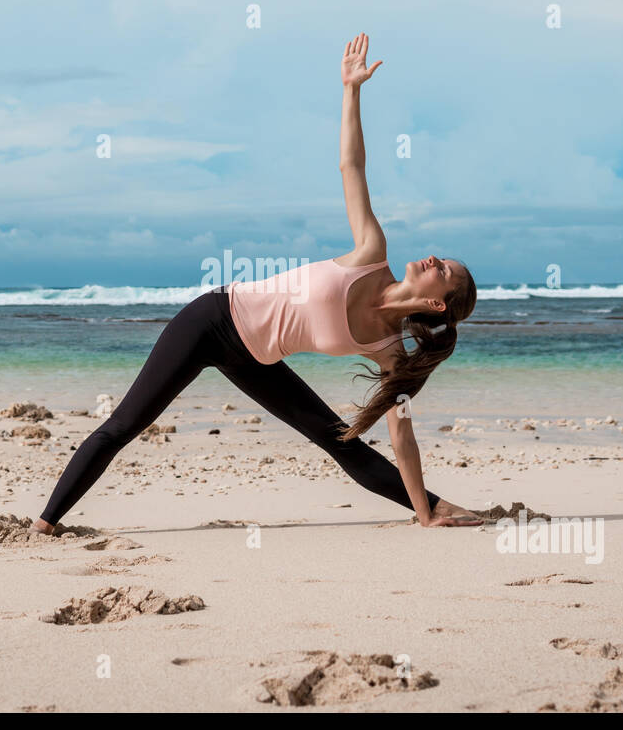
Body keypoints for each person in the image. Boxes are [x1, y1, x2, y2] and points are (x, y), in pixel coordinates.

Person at [31, 34, 480, 533]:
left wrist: (422, 512)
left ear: (440, 305)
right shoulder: (372, 253)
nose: (436, 259)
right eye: (443, 258)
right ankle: (46, 525)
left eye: (446, 271)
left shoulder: (390, 351)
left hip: (256, 359)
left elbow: (403, 439)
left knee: (340, 442)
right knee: (126, 424)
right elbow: (351, 166)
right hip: (213, 319)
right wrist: (352, 90)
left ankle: (432, 509)